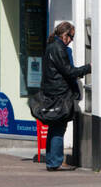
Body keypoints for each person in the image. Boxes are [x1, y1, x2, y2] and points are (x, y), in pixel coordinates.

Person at [38, 21, 90, 172]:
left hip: (53, 93)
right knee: (59, 128)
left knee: (54, 128)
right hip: (59, 94)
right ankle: (55, 162)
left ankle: (52, 160)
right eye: (71, 37)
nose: (71, 40)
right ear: (64, 34)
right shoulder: (59, 48)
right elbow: (69, 71)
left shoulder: (51, 47)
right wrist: (88, 68)